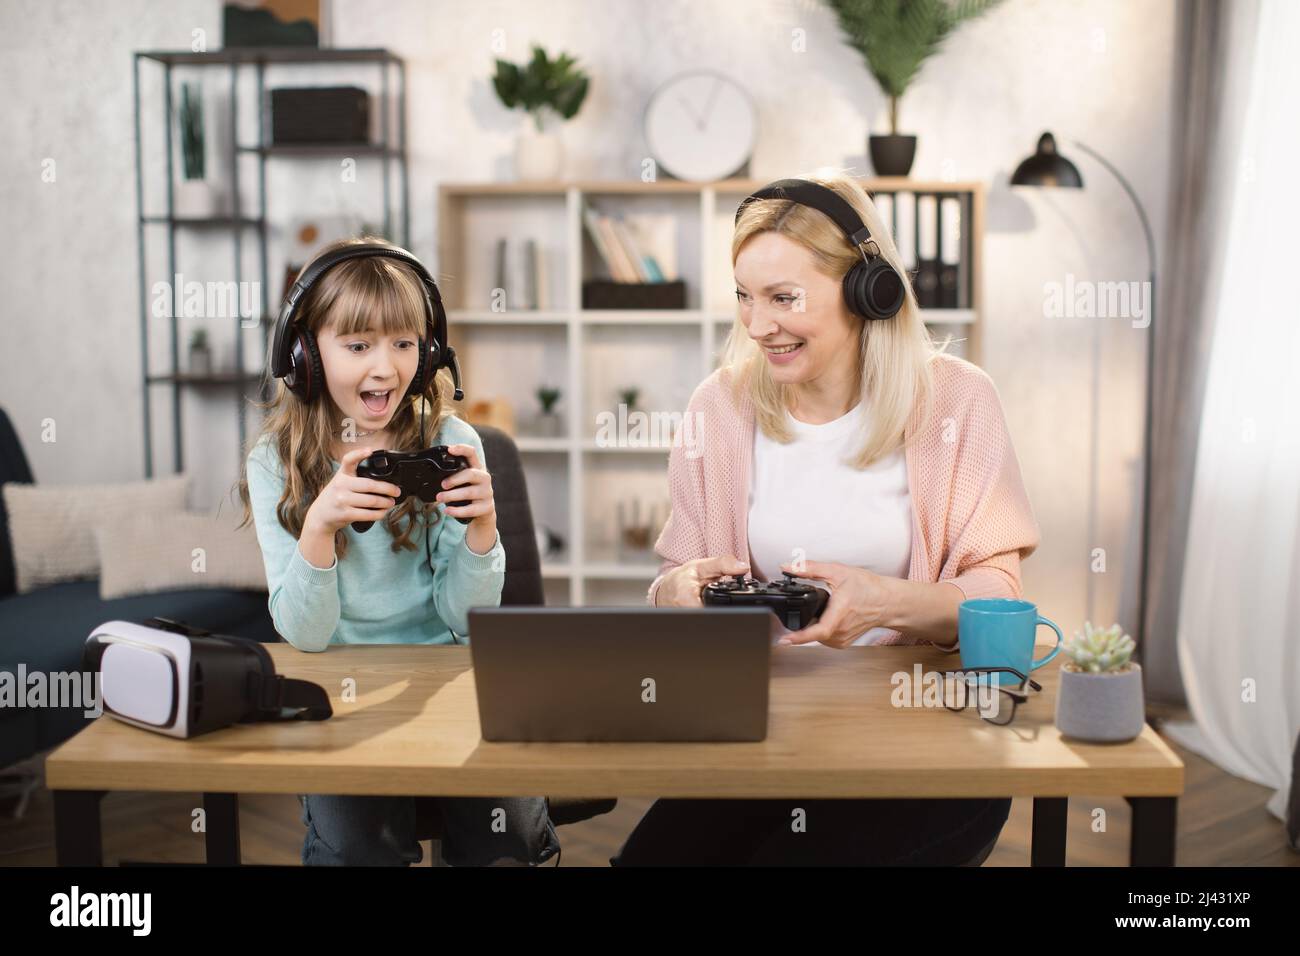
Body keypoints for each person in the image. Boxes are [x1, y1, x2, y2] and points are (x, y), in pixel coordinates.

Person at [614, 173, 1041, 865]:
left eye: (784, 298)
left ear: (867, 290)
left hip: (919, 734)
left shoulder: (959, 403)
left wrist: (884, 605)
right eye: (746, 298)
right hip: (765, 729)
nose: (758, 326)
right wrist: (679, 591)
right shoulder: (719, 407)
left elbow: (1001, 595)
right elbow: (670, 581)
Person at [235, 236, 558, 866]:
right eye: (357, 346)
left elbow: (467, 621)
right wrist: (318, 531)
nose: (385, 369)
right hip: (337, 683)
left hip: (449, 672)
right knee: (357, 847)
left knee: (509, 833)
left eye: (404, 344)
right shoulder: (273, 462)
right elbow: (305, 636)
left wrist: (481, 530)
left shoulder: (451, 438)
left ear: (429, 351)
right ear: (304, 355)